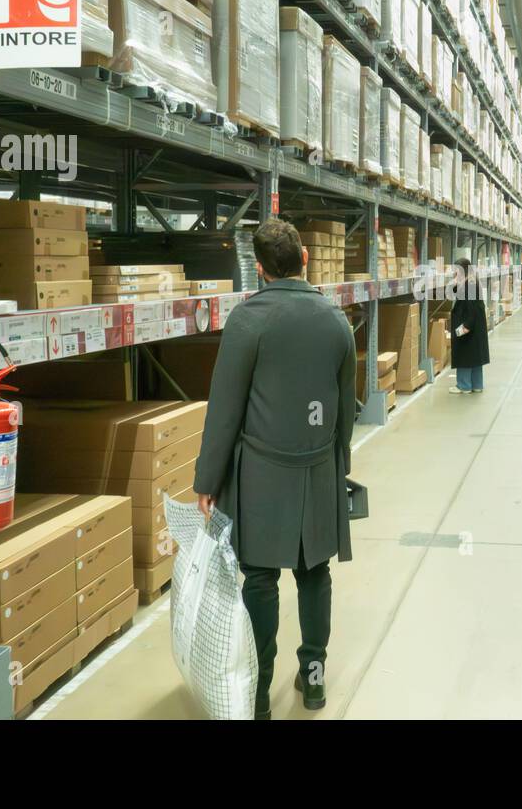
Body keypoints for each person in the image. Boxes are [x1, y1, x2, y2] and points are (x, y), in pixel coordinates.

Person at [194, 219, 357, 720]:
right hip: (317, 468)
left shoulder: (249, 320)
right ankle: (313, 679)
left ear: (260, 269)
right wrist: (338, 465)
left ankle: (259, 694)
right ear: (305, 257)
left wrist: (208, 480)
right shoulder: (336, 320)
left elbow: (225, 408)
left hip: (261, 472)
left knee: (259, 579)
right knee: (314, 573)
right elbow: (345, 407)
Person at [449, 257, 490, 393]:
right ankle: (477, 385)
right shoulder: (471, 283)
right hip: (476, 330)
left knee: (465, 356)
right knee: (475, 358)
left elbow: (471, 311)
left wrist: (463, 329)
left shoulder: (469, 286)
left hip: (469, 328)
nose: (454, 274)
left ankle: (464, 385)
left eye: (456, 272)